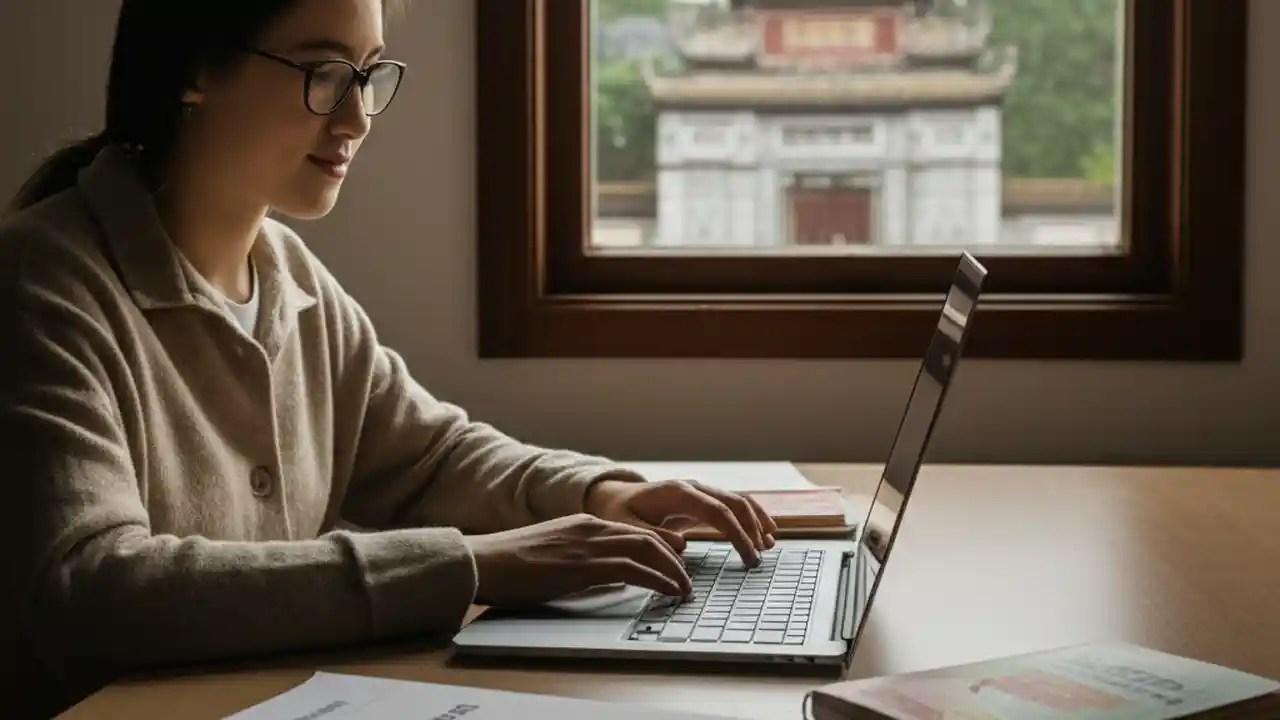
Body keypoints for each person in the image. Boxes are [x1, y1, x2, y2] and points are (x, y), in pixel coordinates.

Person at [0, 1, 779, 715]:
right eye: (324, 73)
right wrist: (470, 567)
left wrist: (600, 493)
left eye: (370, 75)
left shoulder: (289, 277)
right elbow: (94, 592)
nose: (357, 117)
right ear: (197, 70)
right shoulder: (42, 284)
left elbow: (430, 457)